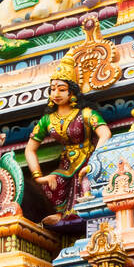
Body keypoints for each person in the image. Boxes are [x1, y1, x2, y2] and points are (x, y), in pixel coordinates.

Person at [24, 54, 111, 226]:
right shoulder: (47, 120)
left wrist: (94, 162)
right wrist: (38, 176)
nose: (56, 94)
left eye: (61, 89)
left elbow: (105, 134)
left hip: (87, 156)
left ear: (72, 92)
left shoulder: (85, 114)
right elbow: (30, 149)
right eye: (52, 89)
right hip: (66, 163)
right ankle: (61, 213)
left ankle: (83, 210)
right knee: (53, 182)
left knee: (85, 182)